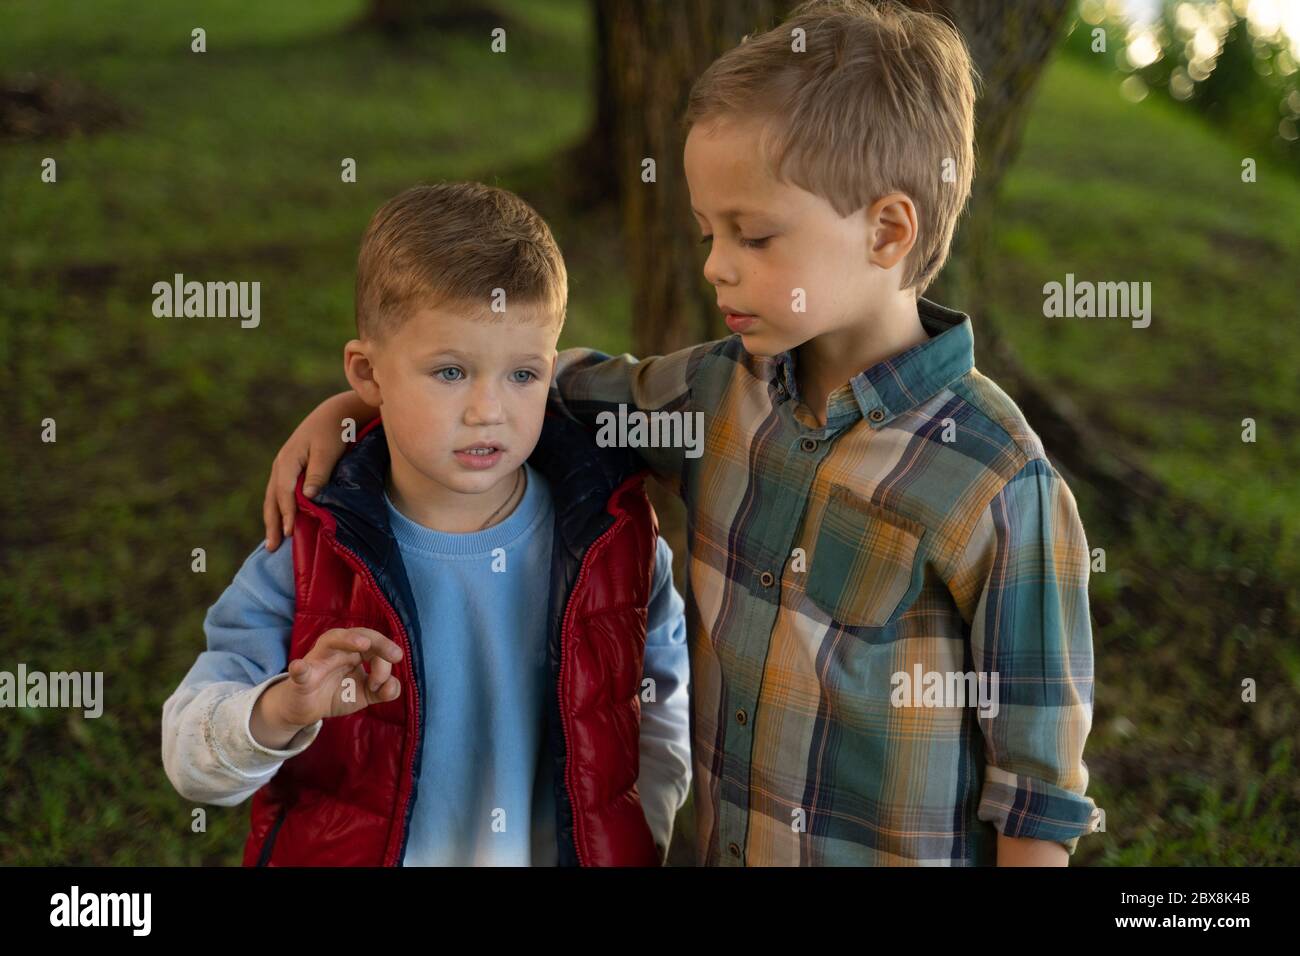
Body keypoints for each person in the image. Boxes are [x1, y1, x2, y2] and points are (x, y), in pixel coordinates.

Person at [260, 0, 1098, 866]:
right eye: (708, 232)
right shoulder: (712, 393)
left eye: (754, 235)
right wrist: (357, 406)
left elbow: (1037, 791)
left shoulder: (996, 480)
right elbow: (524, 380)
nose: (713, 265)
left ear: (886, 231)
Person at [163, 182, 692, 866]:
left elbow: (661, 698)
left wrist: (642, 826)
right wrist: (279, 711)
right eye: (450, 371)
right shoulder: (311, 548)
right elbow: (190, 756)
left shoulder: (613, 538)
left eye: (523, 375)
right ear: (366, 373)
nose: (487, 411)